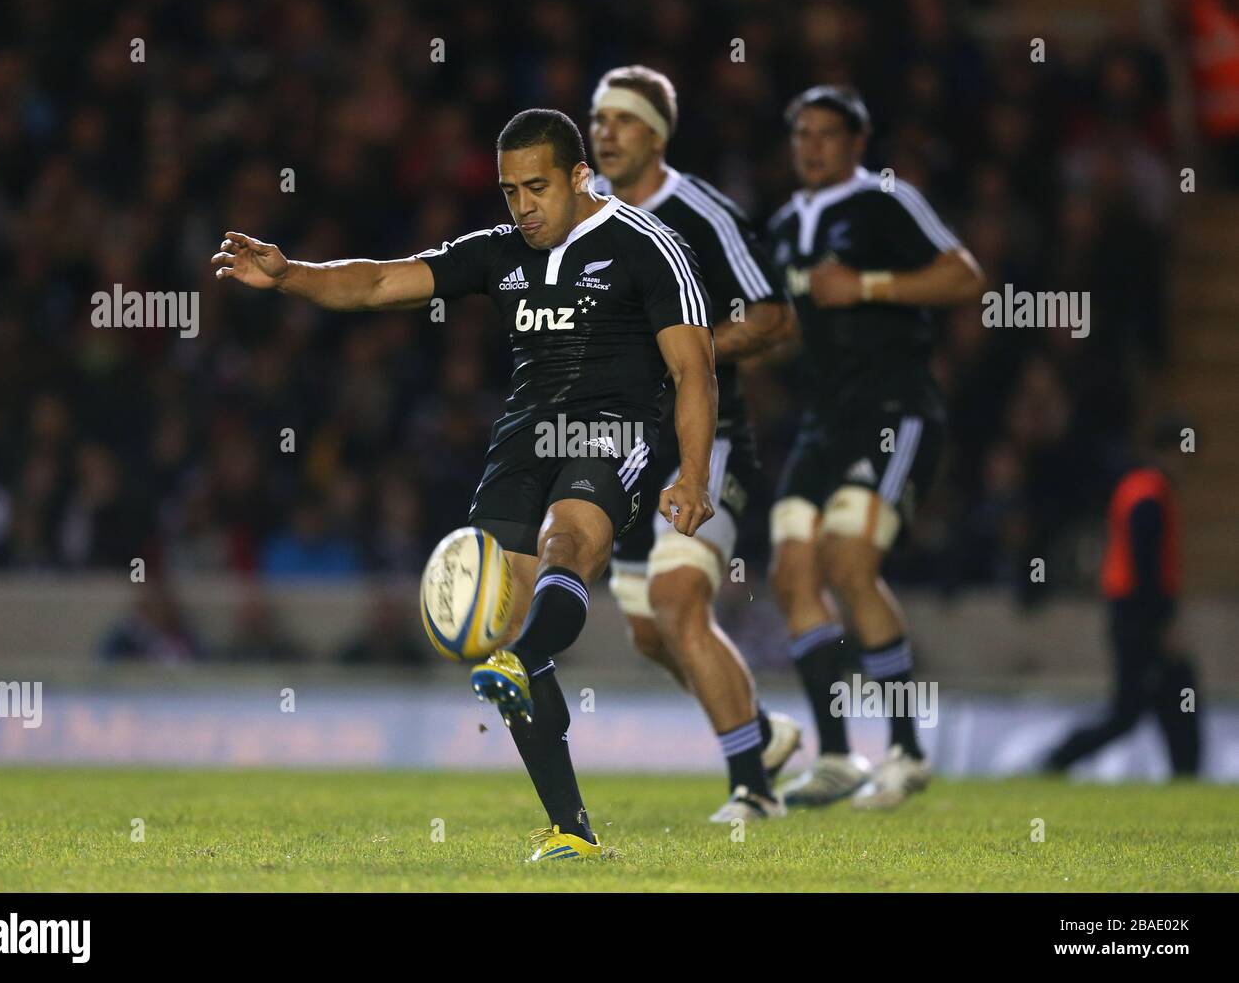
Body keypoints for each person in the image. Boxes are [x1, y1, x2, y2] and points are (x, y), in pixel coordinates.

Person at [213, 108, 717, 860]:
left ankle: (524, 663)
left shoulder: (649, 247)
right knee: (499, 618)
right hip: (521, 439)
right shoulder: (499, 252)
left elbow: (693, 368)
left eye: (537, 187)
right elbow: (382, 281)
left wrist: (696, 474)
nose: (523, 207)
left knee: (565, 544)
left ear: (580, 177)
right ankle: (571, 830)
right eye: (511, 191)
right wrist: (291, 276)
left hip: (611, 430)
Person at [589, 65, 802, 822]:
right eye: (598, 118)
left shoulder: (702, 212)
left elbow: (776, 317)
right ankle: (764, 729)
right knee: (651, 631)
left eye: (620, 118)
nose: (604, 132)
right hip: (622, 450)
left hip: (703, 442)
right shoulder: (587, 220)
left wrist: (686, 347)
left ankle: (754, 785)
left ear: (656, 133)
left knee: (679, 600)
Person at [765, 86, 985, 809]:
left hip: (896, 412)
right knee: (794, 572)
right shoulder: (784, 224)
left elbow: (964, 274)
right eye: (803, 133)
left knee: (850, 561)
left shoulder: (885, 200)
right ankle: (835, 755)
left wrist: (867, 283)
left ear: (857, 144)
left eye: (828, 133)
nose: (813, 145)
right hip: (822, 422)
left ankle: (907, 751)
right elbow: (796, 324)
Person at [1044, 419, 1201, 777]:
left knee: (1157, 698)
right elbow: (1146, 565)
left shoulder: (1136, 489)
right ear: (1166, 451)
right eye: (1184, 451)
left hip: (1129, 612)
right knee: (1143, 704)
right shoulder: (1149, 495)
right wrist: (1163, 622)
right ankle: (1059, 758)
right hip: (1138, 615)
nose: (1187, 462)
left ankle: (1186, 771)